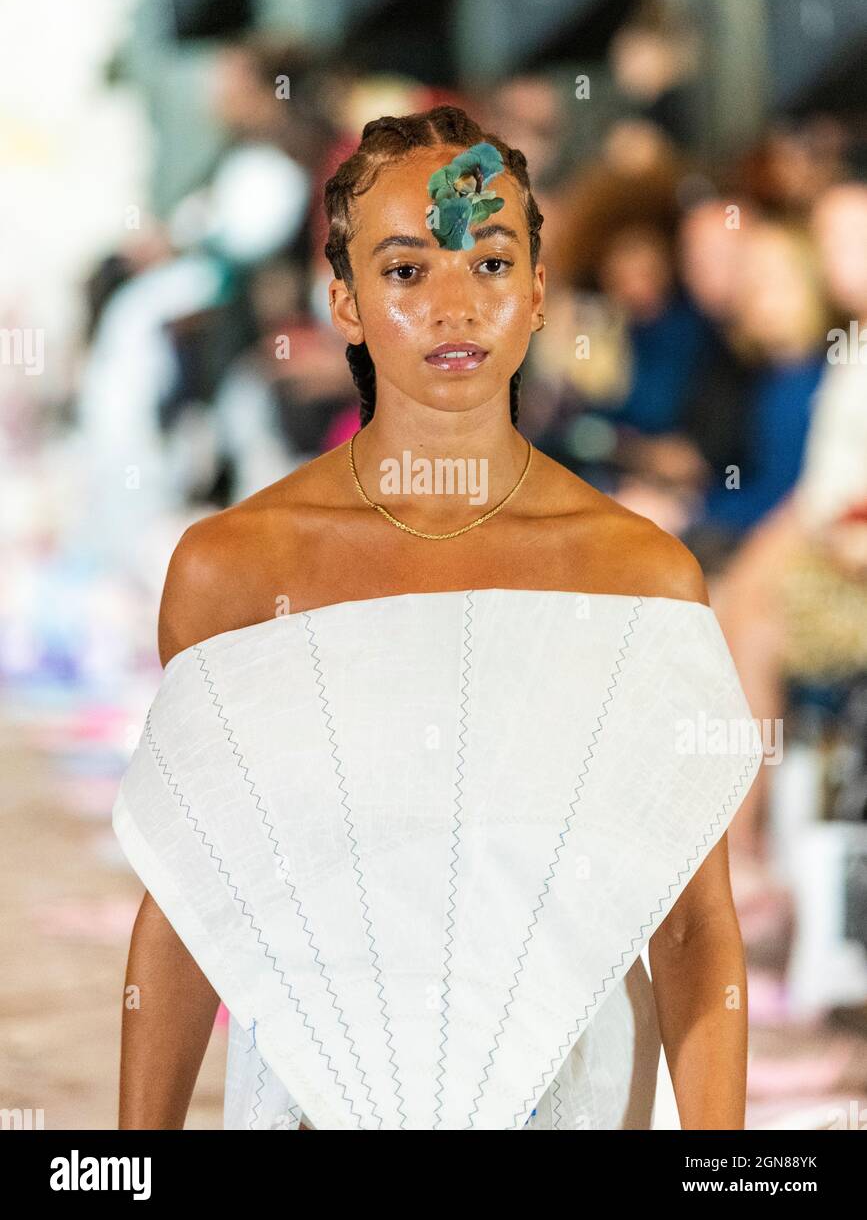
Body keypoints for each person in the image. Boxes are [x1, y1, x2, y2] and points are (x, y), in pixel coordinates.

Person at [114, 106, 762, 1131]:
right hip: (311, 1103)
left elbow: (691, 931)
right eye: (408, 269)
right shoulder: (233, 571)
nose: (455, 305)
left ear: (539, 292)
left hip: (575, 1098)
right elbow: (195, 895)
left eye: (492, 263)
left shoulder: (638, 576)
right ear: (347, 300)